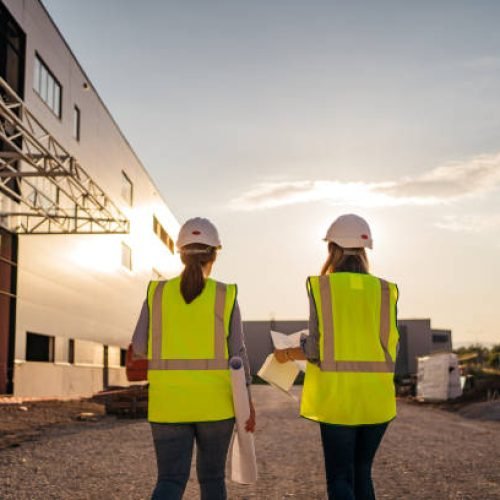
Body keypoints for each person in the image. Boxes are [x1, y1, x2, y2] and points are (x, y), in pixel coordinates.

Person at [274, 214, 399, 500]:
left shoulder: (323, 288)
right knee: (362, 473)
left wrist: (292, 349)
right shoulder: (386, 291)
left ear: (332, 249)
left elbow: (315, 351)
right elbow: (392, 347)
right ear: (364, 250)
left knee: (341, 478)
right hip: (376, 399)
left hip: (338, 399)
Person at [132, 217, 255, 500]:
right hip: (216, 405)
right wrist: (247, 401)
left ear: (180, 253)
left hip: (168, 405)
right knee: (212, 480)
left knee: (170, 480)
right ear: (214, 254)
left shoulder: (157, 293)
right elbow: (238, 353)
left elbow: (139, 347)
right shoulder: (225, 294)